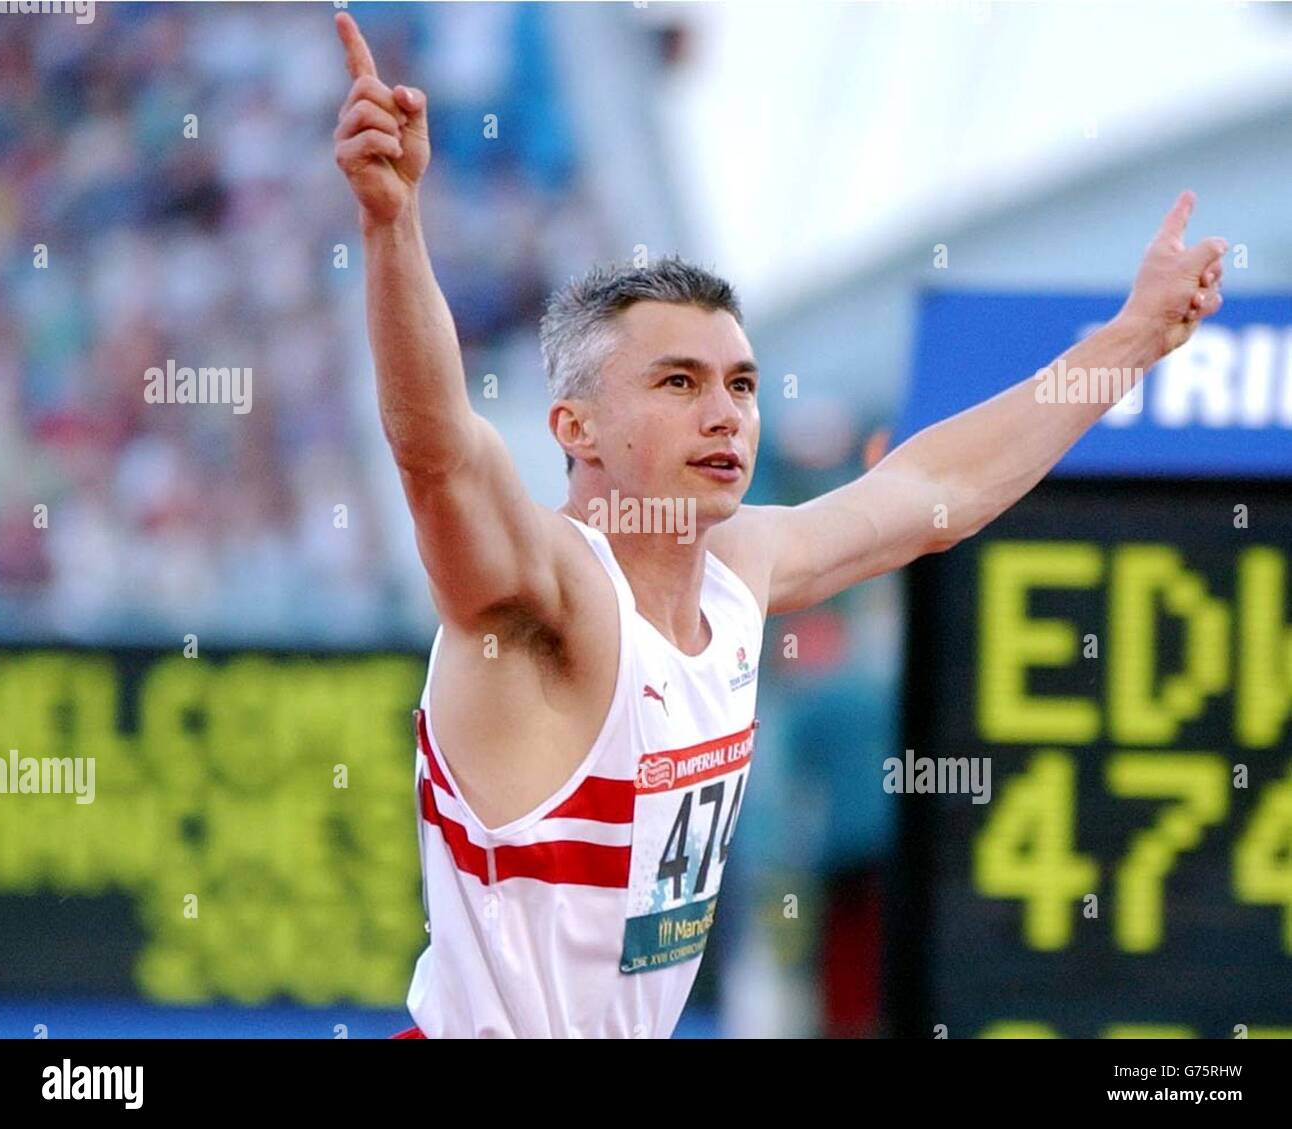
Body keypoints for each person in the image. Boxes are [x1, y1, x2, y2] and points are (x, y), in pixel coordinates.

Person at [332, 12, 1226, 1038]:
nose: (724, 413)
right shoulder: (545, 594)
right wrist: (393, 227)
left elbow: (932, 491)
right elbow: (437, 453)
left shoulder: (738, 568)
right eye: (678, 382)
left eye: (742, 384)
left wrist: (1129, 338)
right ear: (572, 425)